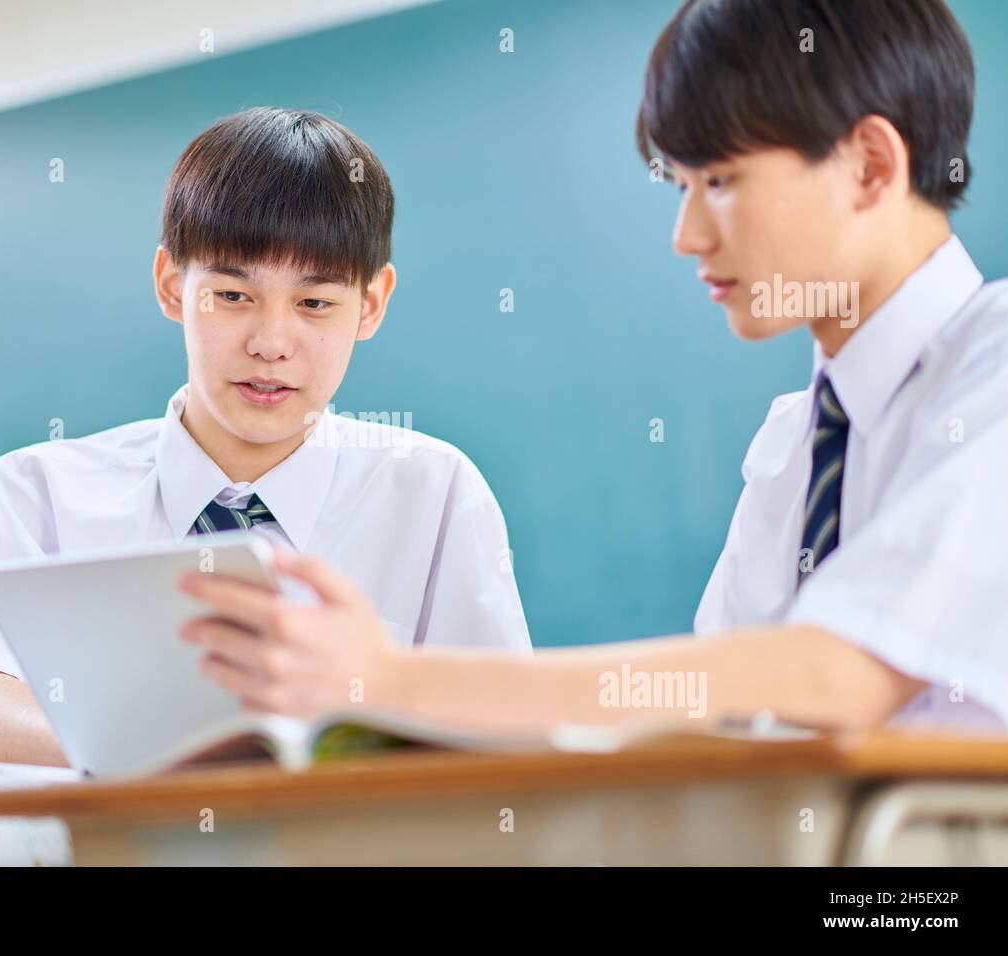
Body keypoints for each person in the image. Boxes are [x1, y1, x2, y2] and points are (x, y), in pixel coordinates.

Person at [180, 0, 1008, 735]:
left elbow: (839, 677)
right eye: (680, 186)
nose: (686, 235)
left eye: (718, 180)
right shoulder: (797, 444)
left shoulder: (994, 368)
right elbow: (706, 711)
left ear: (869, 166)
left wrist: (392, 678)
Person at [0, 107, 532, 765]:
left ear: (372, 304)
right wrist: (169, 765)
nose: (271, 344)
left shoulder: (434, 492)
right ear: (171, 285)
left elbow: (499, 727)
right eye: (233, 295)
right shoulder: (38, 494)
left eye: (314, 304)